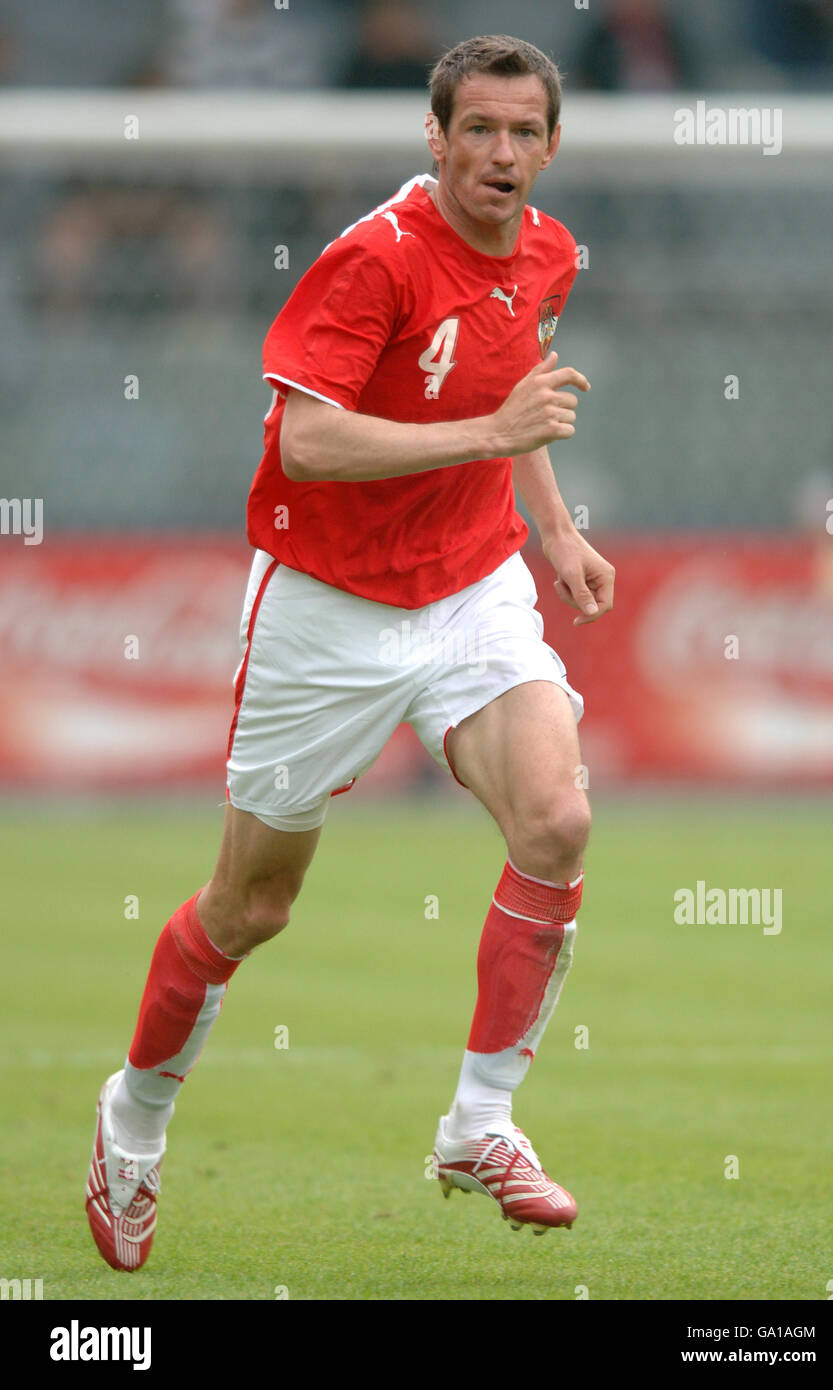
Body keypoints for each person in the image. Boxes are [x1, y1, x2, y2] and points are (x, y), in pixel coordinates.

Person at [85, 32, 615, 1272]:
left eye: (520, 132)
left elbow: (516, 383)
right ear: (432, 139)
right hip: (328, 607)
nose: (498, 152)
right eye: (474, 130)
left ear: (550, 145)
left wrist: (552, 527)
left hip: (472, 585)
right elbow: (309, 444)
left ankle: (478, 1124)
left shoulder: (547, 251)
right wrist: (489, 429)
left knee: (557, 821)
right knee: (251, 906)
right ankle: (133, 1120)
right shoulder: (370, 261)